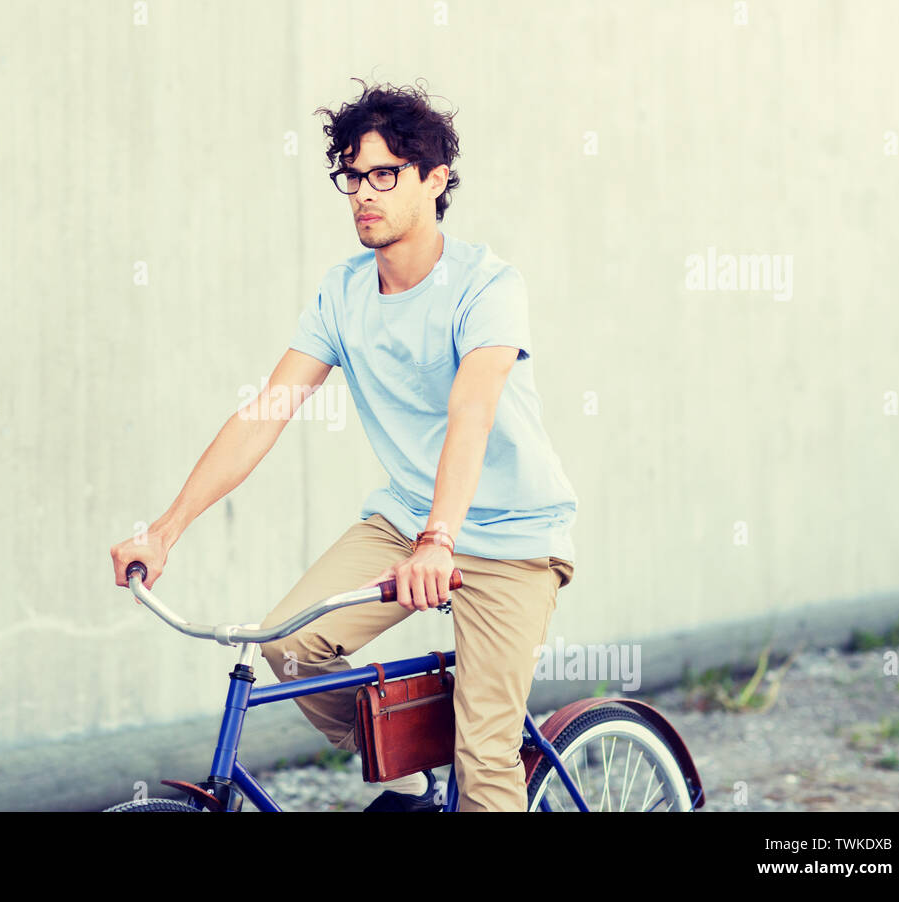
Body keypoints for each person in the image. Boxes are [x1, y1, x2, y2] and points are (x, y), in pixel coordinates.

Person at [111, 78, 577, 812]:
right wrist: (166, 529)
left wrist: (441, 539)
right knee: (288, 647)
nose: (364, 193)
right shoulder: (344, 292)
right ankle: (406, 779)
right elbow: (265, 411)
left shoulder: (487, 286)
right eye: (352, 176)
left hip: (512, 538)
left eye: (385, 175)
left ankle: (468, 753)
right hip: (406, 521)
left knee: (487, 761)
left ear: (435, 179)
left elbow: (471, 414)